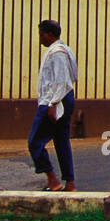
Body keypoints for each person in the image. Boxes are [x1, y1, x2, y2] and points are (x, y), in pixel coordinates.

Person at [28, 19, 77, 191]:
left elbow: (62, 81)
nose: (40, 38)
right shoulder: (65, 50)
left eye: (41, 35)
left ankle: (53, 180)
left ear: (49, 35)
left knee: (34, 142)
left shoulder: (57, 52)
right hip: (64, 98)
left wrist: (52, 104)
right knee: (61, 141)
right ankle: (69, 183)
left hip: (55, 100)